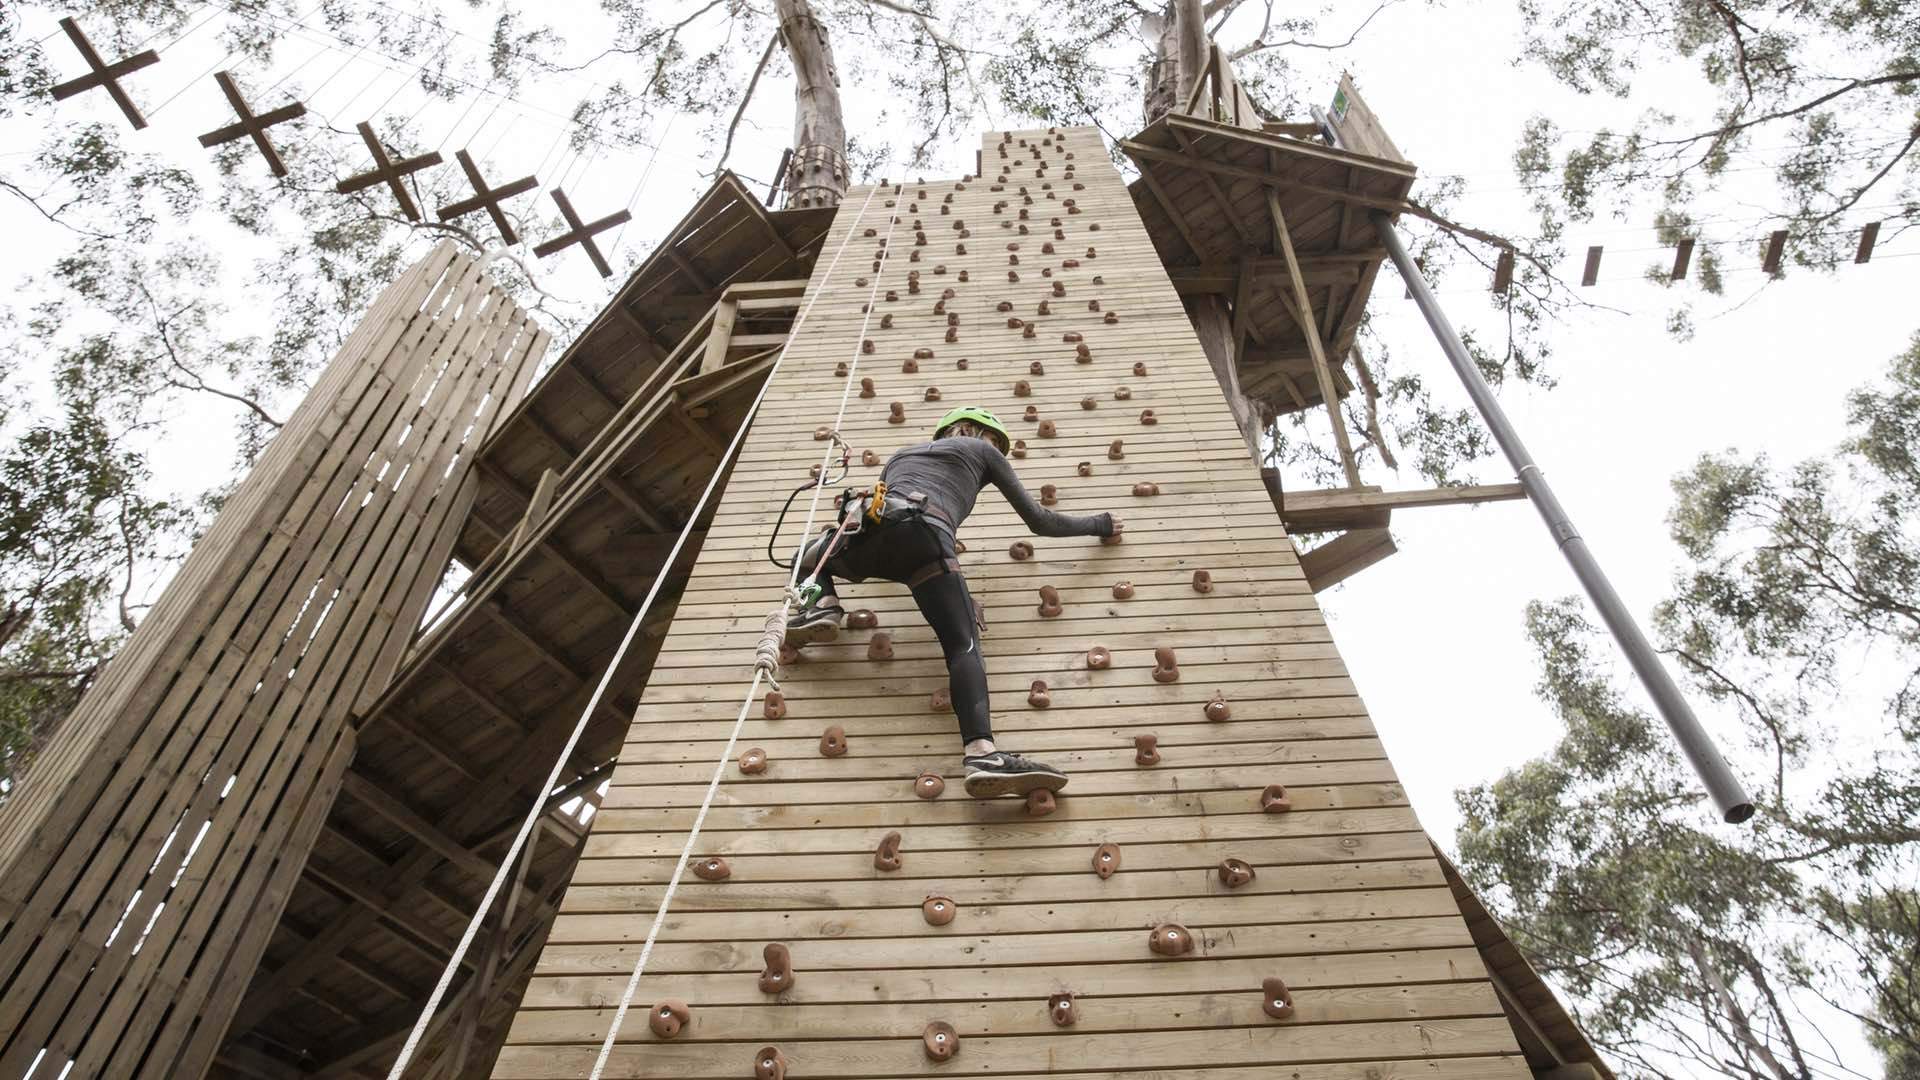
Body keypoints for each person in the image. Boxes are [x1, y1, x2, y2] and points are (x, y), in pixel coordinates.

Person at [785, 406, 1121, 799]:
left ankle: (823, 601)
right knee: (963, 646)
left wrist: (963, 594)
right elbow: (1039, 522)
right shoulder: (982, 452)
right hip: (927, 541)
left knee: (804, 558)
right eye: (996, 443)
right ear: (982, 436)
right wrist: (1100, 523)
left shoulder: (901, 455)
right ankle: (982, 753)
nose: (995, 450)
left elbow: (882, 517)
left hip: (872, 538)